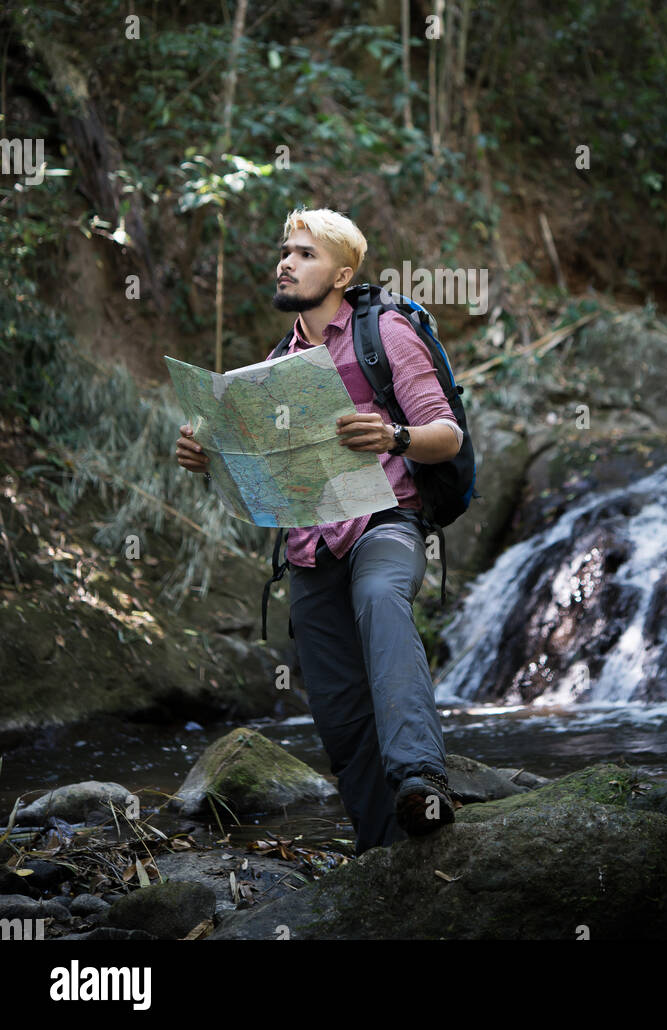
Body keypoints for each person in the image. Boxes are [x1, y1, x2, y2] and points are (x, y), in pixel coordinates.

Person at [176, 206, 459, 854]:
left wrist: (395, 435)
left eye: (303, 252)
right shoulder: (277, 364)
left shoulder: (382, 331)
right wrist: (207, 456)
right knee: (335, 707)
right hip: (307, 547)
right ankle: (381, 850)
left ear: (342, 272)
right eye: (284, 250)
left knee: (380, 601)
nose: (285, 261)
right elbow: (263, 475)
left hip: (387, 521)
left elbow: (446, 435)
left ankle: (422, 780)